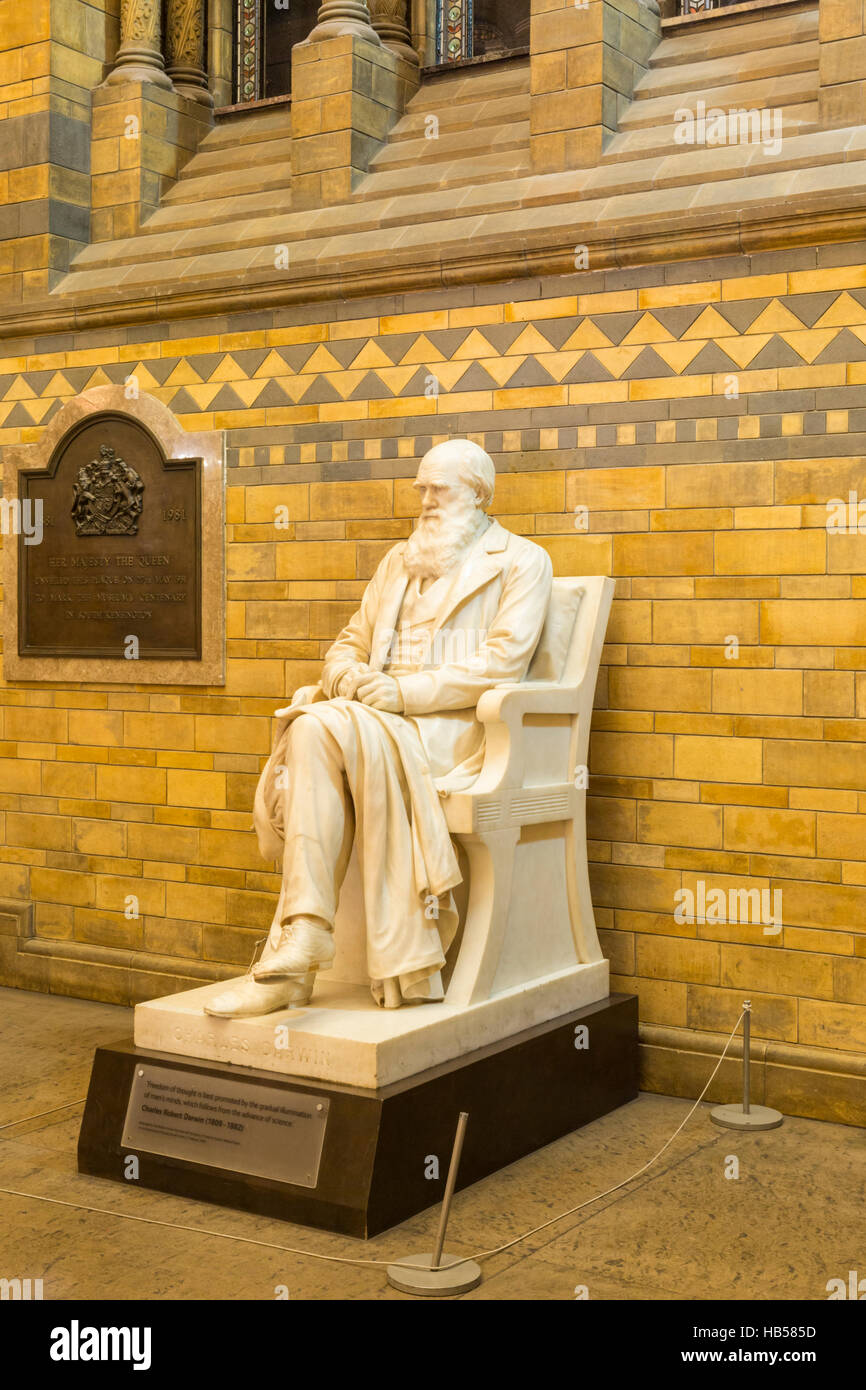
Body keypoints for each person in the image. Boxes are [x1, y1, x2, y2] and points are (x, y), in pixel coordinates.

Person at [205, 438, 553, 1018]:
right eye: (420, 488)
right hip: (368, 719)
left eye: (437, 488)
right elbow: (349, 644)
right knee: (319, 723)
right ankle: (308, 932)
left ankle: (295, 953)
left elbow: (503, 661)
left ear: (478, 492)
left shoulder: (521, 560)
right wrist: (347, 679)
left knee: (315, 728)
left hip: (448, 729)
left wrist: (403, 691)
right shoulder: (400, 561)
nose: (424, 500)